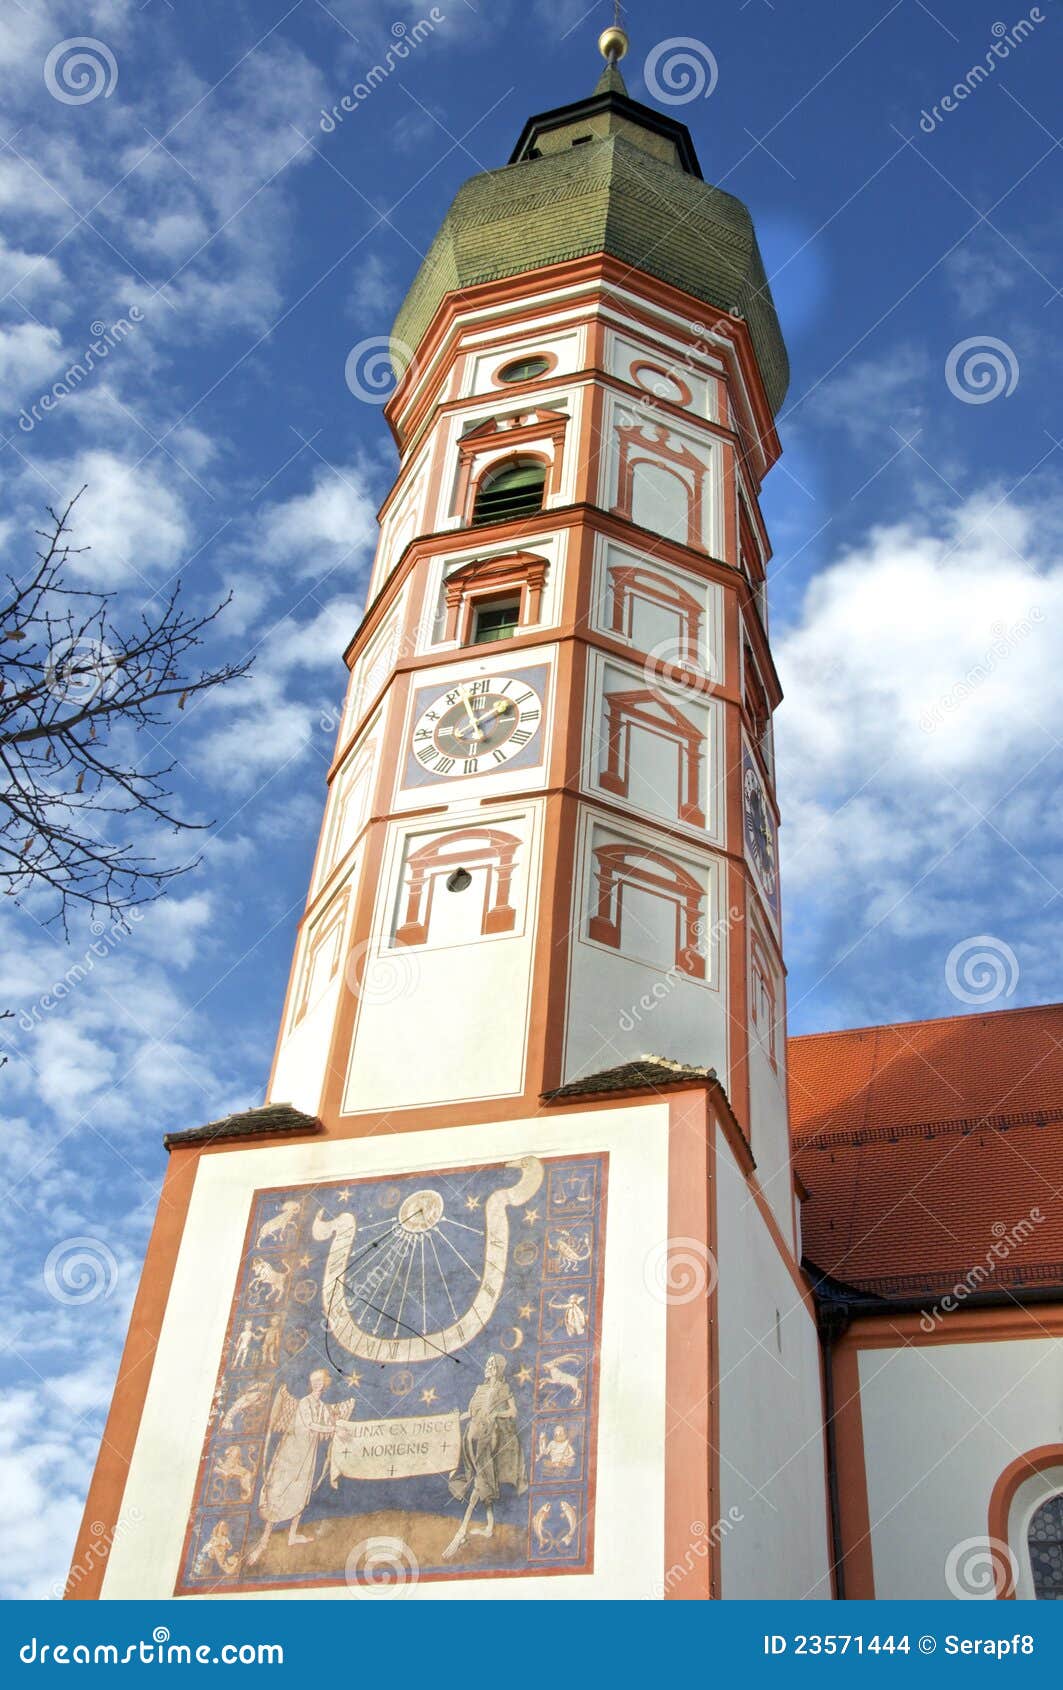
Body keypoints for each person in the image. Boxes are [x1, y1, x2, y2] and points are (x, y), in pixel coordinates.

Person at [245, 1370, 353, 1567]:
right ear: (311, 1384)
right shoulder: (304, 1402)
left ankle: (292, 1535)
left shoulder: (321, 1406)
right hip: (291, 1452)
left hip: (308, 1454)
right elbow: (312, 1424)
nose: (318, 1383)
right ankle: (264, 1540)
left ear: (326, 1382)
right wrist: (335, 1428)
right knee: (280, 1490)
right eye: (314, 1381)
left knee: (302, 1491)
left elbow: (329, 1421)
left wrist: (339, 1425)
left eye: (321, 1380)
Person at [443, 1354, 527, 1560]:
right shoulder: (479, 1390)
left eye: (492, 1364)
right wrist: (455, 1417)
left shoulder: (503, 1389)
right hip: (471, 1439)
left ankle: (461, 1532)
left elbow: (513, 1412)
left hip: (490, 1439)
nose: (488, 1367)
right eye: (487, 1363)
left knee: (481, 1479)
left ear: (498, 1368)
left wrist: (497, 1414)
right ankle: (489, 1526)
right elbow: (471, 1413)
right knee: (482, 1478)